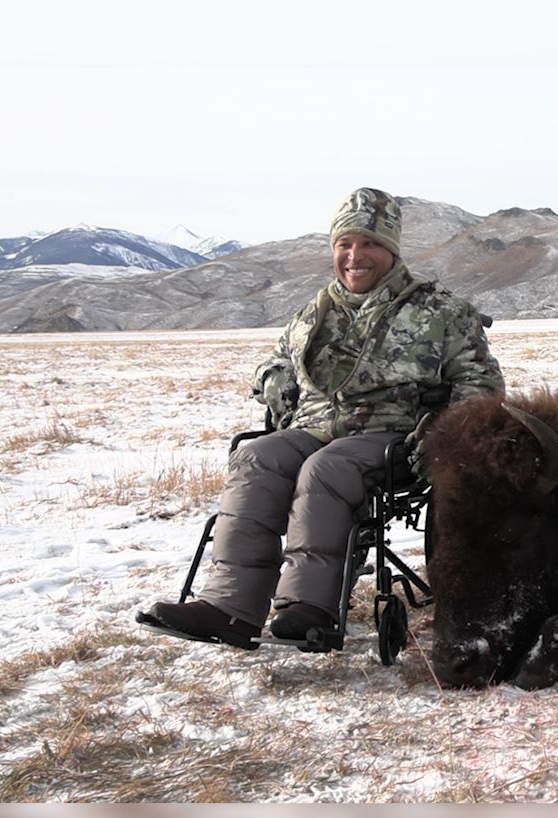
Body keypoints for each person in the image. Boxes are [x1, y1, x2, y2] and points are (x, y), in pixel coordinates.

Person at [138, 187, 504, 649]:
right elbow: (275, 364)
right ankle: (228, 608)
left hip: (390, 436)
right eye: (345, 245)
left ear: (391, 249)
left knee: (327, 468)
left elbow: (481, 384)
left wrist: (441, 434)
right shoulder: (315, 312)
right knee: (258, 457)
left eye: (369, 243)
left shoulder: (439, 311)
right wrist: (275, 382)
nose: (356, 256)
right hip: (312, 426)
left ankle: (310, 611)